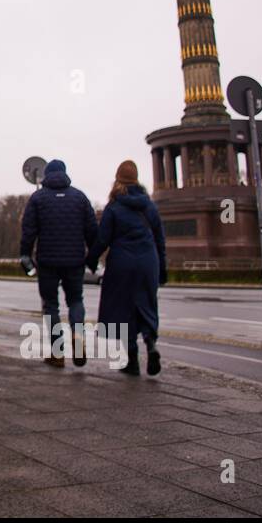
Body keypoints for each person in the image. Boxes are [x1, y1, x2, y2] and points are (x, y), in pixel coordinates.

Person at [86, 160, 167, 376]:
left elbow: (103, 239)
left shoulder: (114, 206)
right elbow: (160, 240)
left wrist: (91, 260)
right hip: (148, 261)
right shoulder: (149, 206)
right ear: (137, 178)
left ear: (118, 178)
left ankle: (132, 359)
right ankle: (151, 345)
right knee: (147, 305)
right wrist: (163, 269)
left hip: (122, 263)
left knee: (124, 309)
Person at [19, 159, 98, 367]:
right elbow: (92, 232)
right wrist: (92, 258)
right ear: (64, 174)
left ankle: (57, 353)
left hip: (47, 261)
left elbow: (28, 231)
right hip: (74, 261)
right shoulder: (79, 198)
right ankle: (78, 337)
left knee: (51, 306)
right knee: (75, 301)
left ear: (46, 175)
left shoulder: (38, 198)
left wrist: (25, 256)